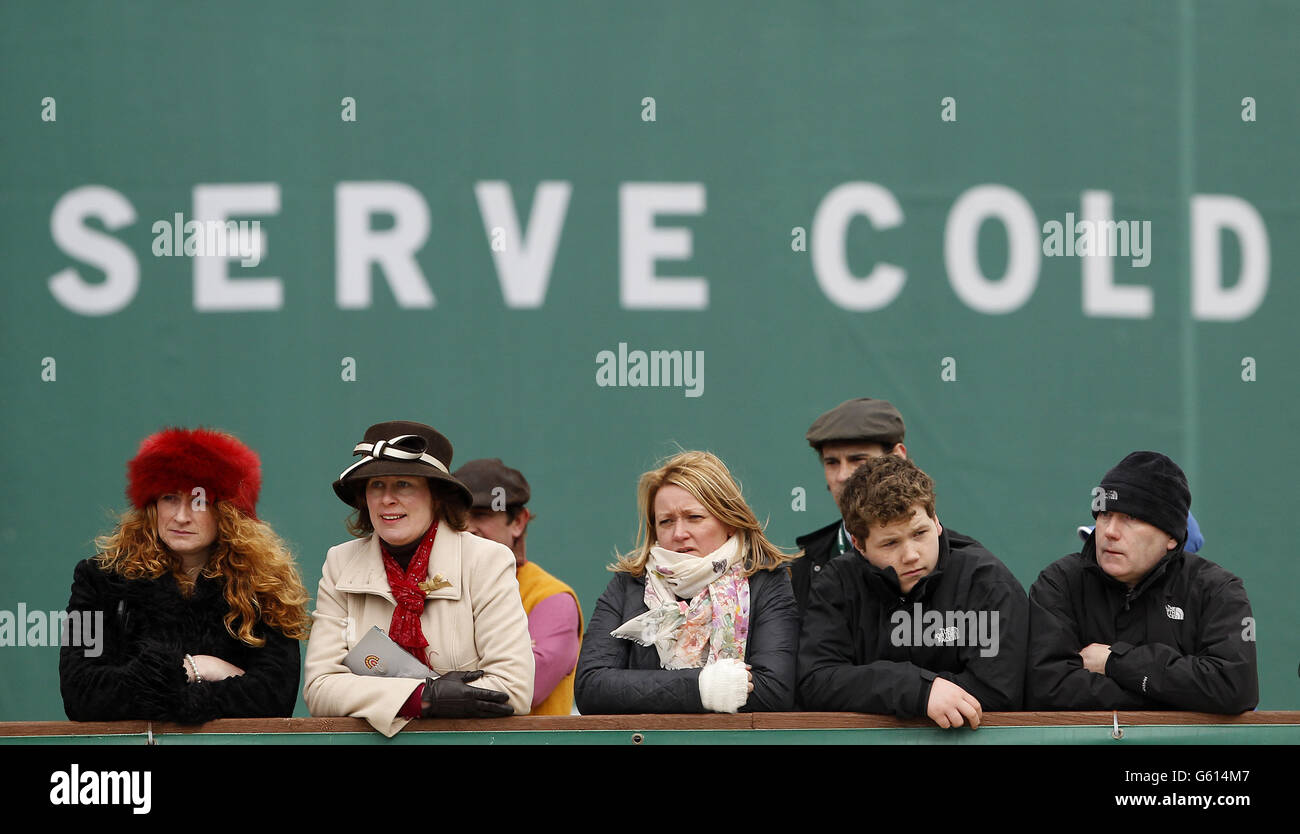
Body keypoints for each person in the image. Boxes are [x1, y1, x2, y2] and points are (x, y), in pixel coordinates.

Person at [60, 427, 310, 721]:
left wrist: (177, 678)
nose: (181, 516)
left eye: (199, 501)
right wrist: (198, 671)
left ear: (228, 512)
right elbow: (80, 693)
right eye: (169, 498)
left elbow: (274, 699)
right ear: (152, 505)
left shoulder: (264, 584)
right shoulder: (99, 580)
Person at [304, 421, 533, 736]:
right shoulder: (340, 563)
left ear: (436, 495)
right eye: (375, 485)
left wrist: (376, 697)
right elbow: (320, 688)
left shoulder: (487, 561)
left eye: (403, 484)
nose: (387, 499)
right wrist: (423, 698)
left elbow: (513, 689)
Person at [797, 455, 1028, 728]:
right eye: (890, 543)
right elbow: (815, 680)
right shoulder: (837, 582)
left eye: (919, 533)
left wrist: (919, 691)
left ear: (936, 520)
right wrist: (919, 690)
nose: (910, 555)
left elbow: (997, 691)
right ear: (858, 545)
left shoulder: (986, 582)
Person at [1027, 451, 1257, 712]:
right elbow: (1046, 689)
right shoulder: (1059, 582)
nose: (1110, 531)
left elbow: (1236, 688)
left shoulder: (1217, 590)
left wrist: (1115, 662)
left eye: (1131, 518)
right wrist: (1175, 695)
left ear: (1171, 537)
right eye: (1104, 515)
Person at [575, 451, 798, 714]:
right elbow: (592, 687)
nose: (679, 533)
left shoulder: (765, 580)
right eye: (666, 521)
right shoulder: (629, 585)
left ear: (729, 523)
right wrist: (702, 688)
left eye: (694, 517)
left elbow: (773, 691)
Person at [456, 458, 583, 715]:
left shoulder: (552, 598)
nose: (468, 528)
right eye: (458, 517)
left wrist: (429, 688)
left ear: (518, 522)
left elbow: (524, 689)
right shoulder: (429, 588)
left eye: (482, 515)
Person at [793, 398, 909, 617]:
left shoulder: (950, 562)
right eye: (832, 462)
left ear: (898, 458)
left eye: (858, 460)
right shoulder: (800, 569)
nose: (843, 476)